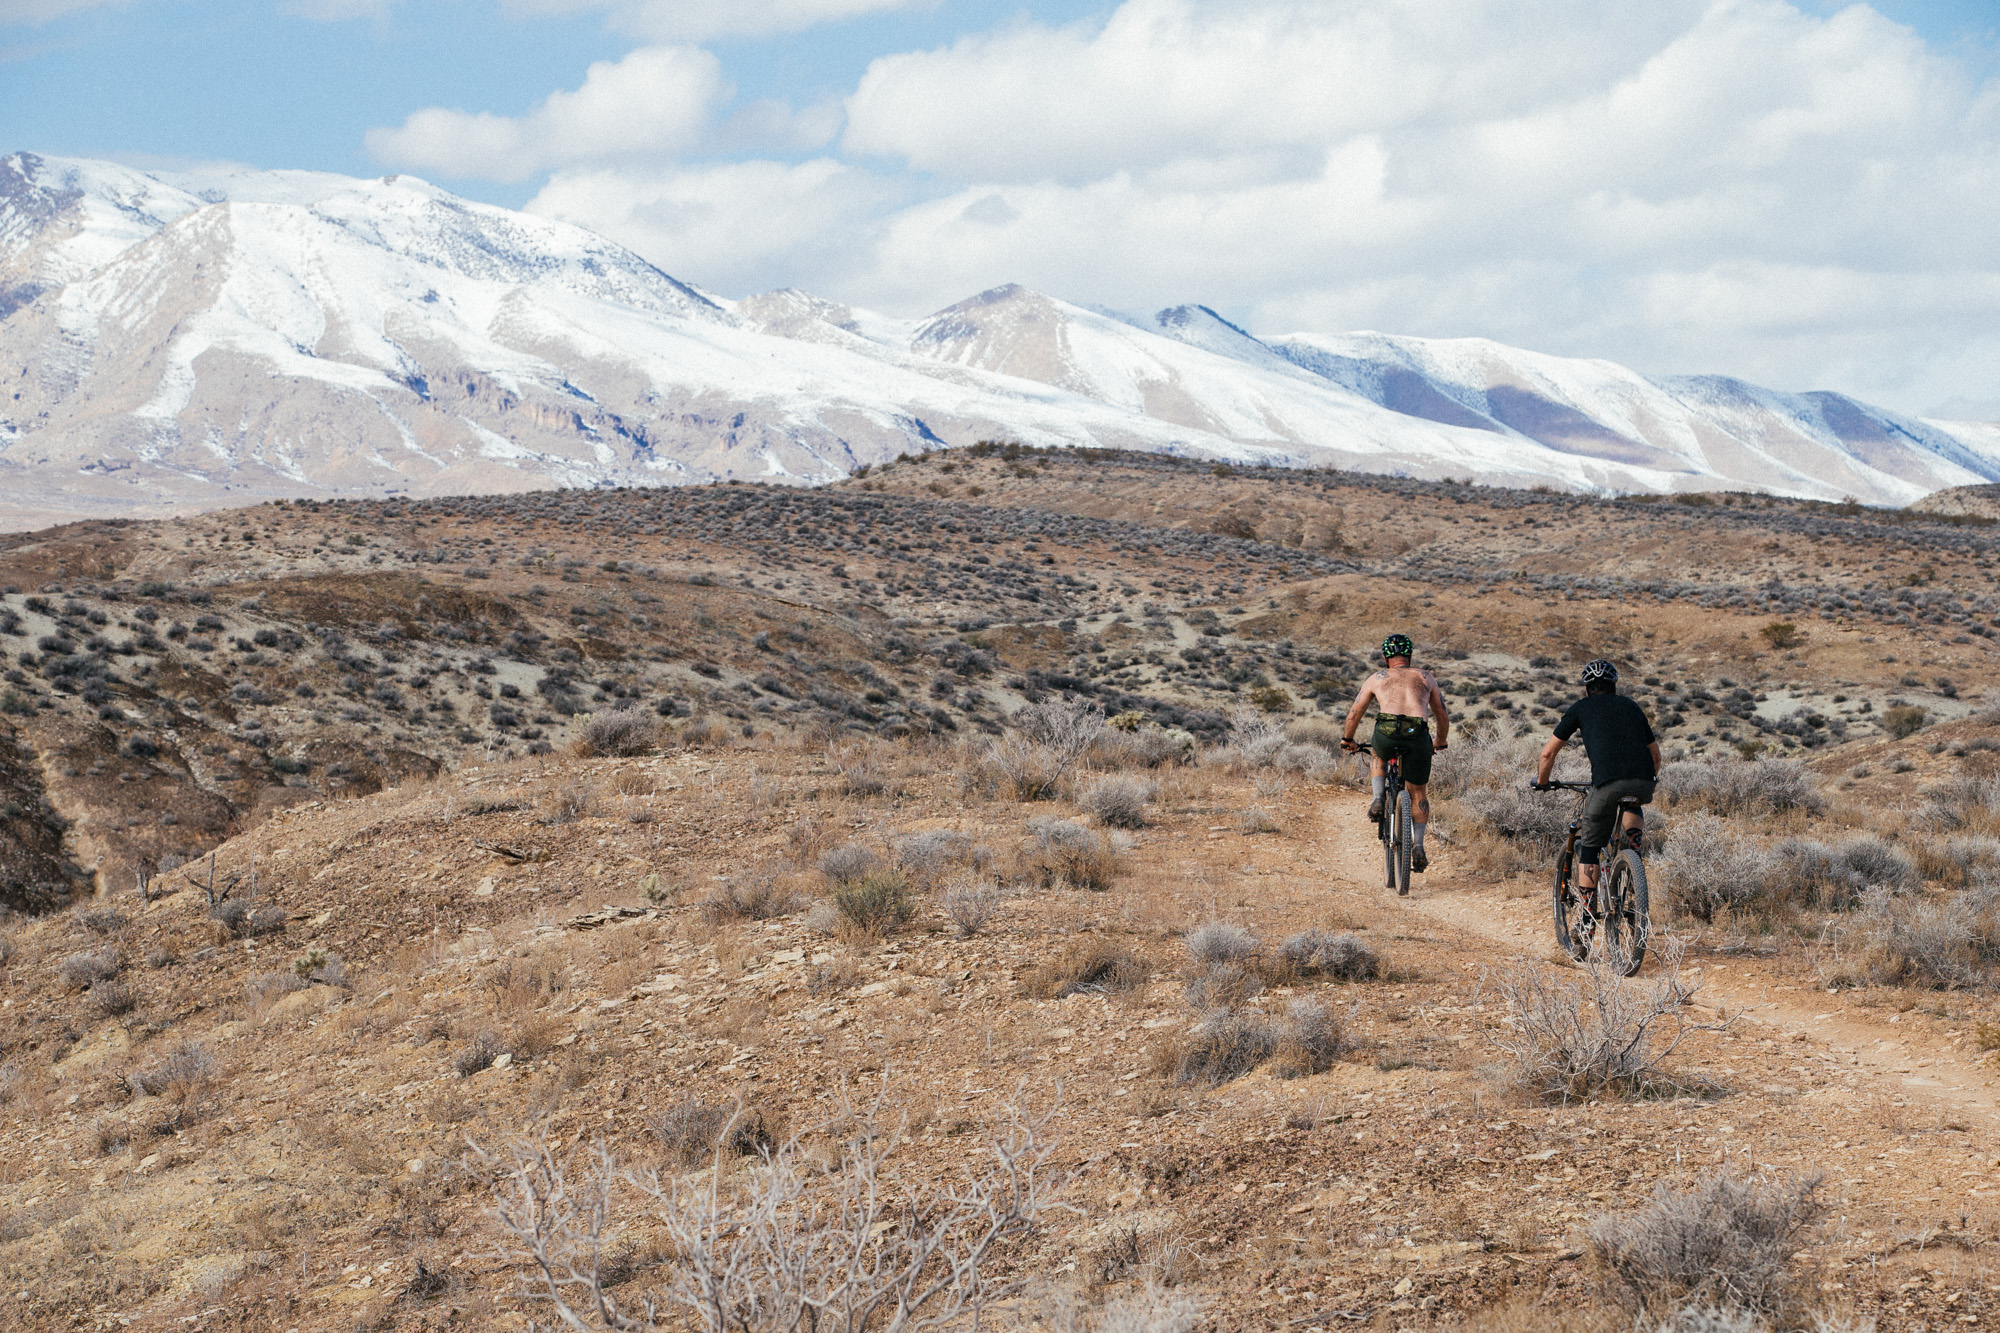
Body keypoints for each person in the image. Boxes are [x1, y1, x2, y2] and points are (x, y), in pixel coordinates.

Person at [1534, 658, 1662, 920]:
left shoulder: (1581, 708)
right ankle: (1633, 854)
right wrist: (1645, 779)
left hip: (1607, 783)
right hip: (1644, 782)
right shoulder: (1631, 706)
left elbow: (1547, 754)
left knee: (1590, 848)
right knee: (1631, 800)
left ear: (1587, 688)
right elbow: (1656, 756)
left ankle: (1587, 921)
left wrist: (1543, 782)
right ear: (1614, 686)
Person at [1341, 633, 1449, 873]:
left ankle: (1379, 799)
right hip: (1417, 732)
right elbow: (1441, 713)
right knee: (1418, 790)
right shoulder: (1425, 676)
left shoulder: (1377, 678)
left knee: (1379, 753)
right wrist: (1440, 740)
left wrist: (1348, 739)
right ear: (1409, 656)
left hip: (1387, 730)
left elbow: (1355, 711)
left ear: (1385, 658)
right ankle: (1418, 846)